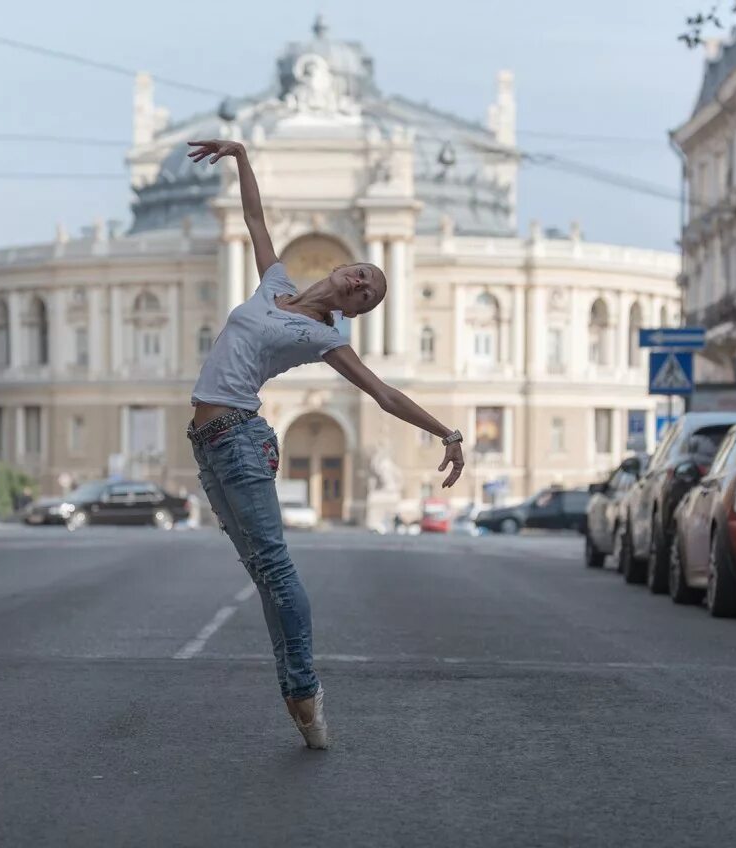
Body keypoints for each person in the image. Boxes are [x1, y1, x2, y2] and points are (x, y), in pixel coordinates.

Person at [185, 139, 466, 750]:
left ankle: (304, 691)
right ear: (342, 267)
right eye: (362, 272)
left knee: (277, 571)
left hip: (239, 438)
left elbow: (384, 394)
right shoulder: (273, 286)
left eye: (368, 291)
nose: (361, 280)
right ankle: (301, 699)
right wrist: (241, 156)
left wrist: (446, 432)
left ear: (356, 309)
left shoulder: (320, 336)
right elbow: (256, 220)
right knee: (263, 571)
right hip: (208, 443)